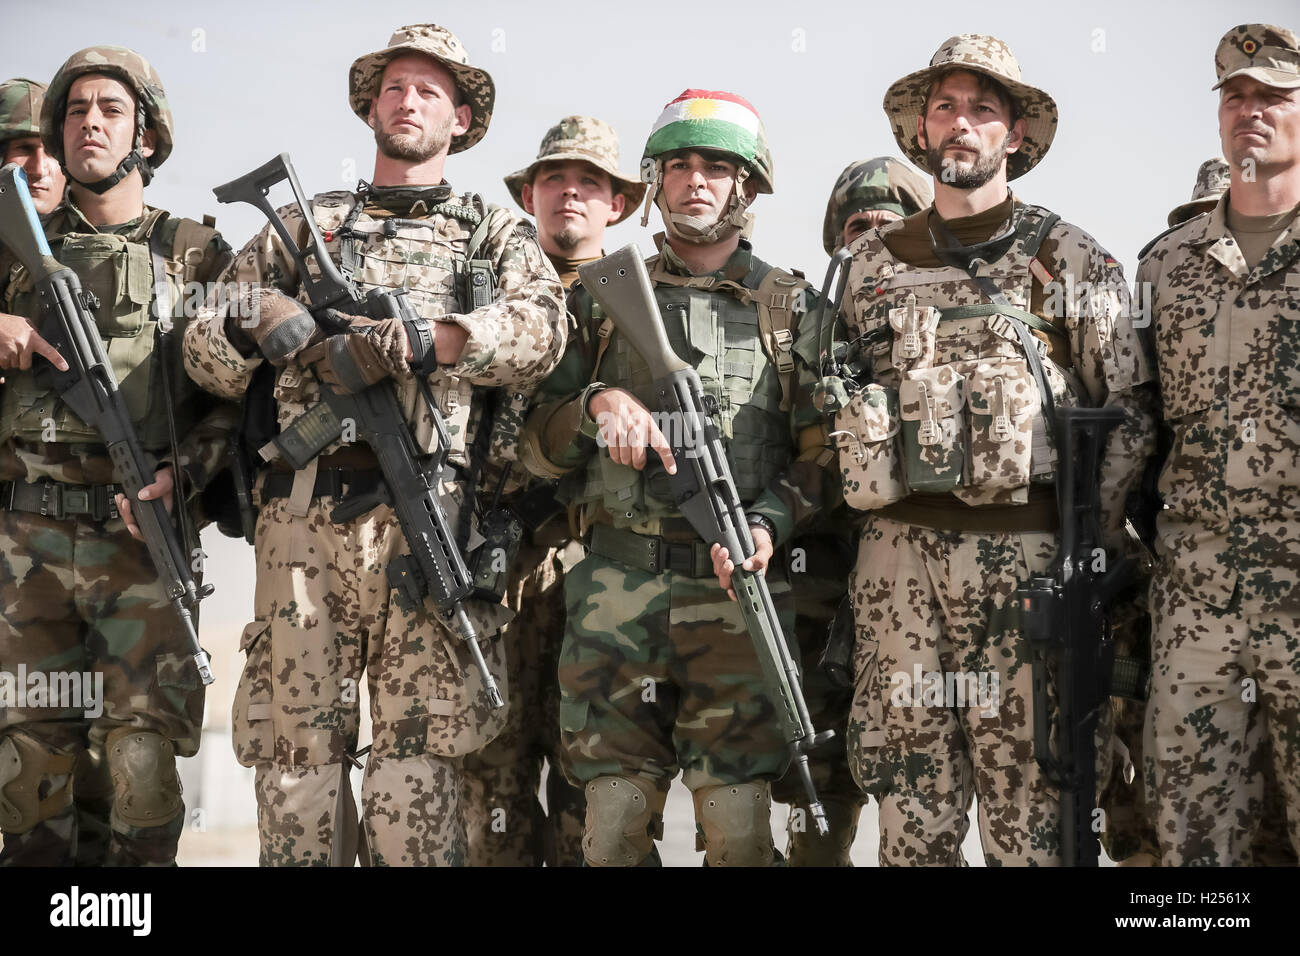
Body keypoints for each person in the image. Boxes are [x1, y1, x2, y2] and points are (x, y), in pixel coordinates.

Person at [182, 23, 565, 867]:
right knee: (296, 764)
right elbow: (199, 344)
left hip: (423, 516)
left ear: (461, 119)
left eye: (430, 90)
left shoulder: (493, 235)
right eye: (394, 87)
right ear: (370, 107)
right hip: (302, 518)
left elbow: (542, 333)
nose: (408, 101)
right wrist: (260, 319)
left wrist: (434, 339)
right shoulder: (301, 225)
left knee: (414, 766)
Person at [833, 34, 1156, 865]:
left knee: (1032, 812)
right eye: (946, 108)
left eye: (983, 111)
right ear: (923, 130)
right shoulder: (871, 264)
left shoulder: (1069, 256)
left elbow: (1127, 412)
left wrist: (1087, 548)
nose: (961, 126)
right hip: (898, 570)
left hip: (1027, 570)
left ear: (1013, 134)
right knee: (912, 807)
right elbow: (829, 396)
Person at [520, 89, 829, 866]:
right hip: (615, 591)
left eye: (717, 168)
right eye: (681, 165)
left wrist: (767, 524)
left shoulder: (792, 310)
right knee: (615, 822)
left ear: (747, 185)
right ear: (654, 183)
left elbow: (828, 455)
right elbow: (532, 445)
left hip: (737, 594)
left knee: (738, 826)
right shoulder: (596, 303)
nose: (697, 181)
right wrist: (599, 404)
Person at [0, 46, 232, 866]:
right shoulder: (13, 248)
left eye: (110, 109)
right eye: (73, 111)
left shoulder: (199, 253)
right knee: (28, 768)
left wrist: (186, 479)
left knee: (139, 765)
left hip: (142, 544)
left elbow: (236, 410)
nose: (88, 123)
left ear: (147, 135)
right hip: (24, 547)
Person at [459, 116, 644, 867]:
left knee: (593, 795)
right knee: (489, 791)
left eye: (591, 182)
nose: (572, 193)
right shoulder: (483, 294)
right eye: (556, 180)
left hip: (600, 576)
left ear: (619, 205)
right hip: (483, 571)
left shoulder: (646, 306)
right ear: (529, 195)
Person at [1138, 22, 1300, 866]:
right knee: (1194, 855)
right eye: (1236, 97)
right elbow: (1135, 437)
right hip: (1197, 610)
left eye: (1273, 95)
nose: (1251, 112)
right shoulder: (1166, 267)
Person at [774, 156, 931, 866]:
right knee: (820, 785)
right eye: (855, 226)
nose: (869, 238)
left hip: (926, 589)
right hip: (822, 590)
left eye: (887, 224)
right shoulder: (801, 322)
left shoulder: (946, 317)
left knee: (924, 782)